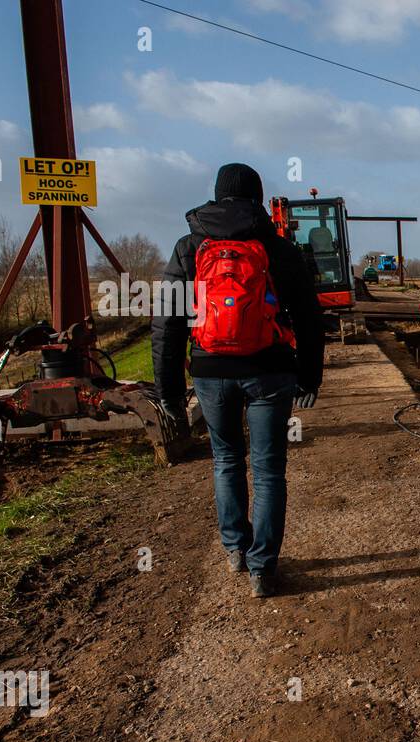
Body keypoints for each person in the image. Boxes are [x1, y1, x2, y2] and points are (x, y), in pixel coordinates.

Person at [153, 162, 325, 597]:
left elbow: (167, 323)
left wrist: (170, 392)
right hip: (270, 370)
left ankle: (235, 549)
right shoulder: (278, 247)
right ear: (257, 197)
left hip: (210, 370)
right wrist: (309, 377)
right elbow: (308, 317)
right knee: (268, 472)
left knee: (226, 460)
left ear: (215, 195)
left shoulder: (188, 246)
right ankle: (262, 569)